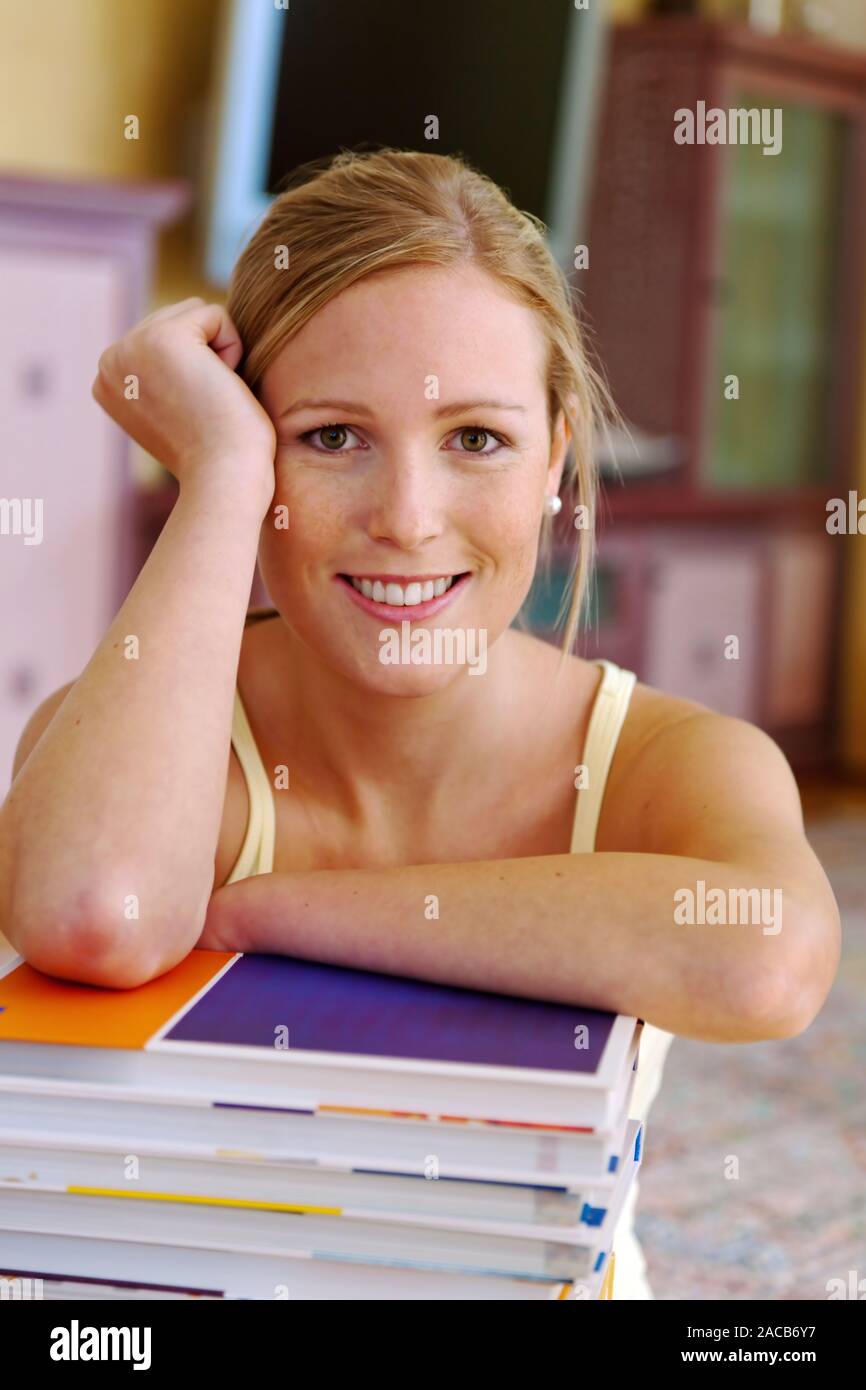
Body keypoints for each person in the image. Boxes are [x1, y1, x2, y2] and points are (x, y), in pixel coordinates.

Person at [0, 149, 840, 1299]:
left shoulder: (665, 759)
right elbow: (95, 912)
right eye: (329, 436)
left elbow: (765, 962)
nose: (405, 518)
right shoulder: (149, 735)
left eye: (476, 439)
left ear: (555, 455)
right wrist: (220, 482)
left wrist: (265, 913)